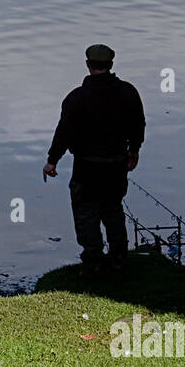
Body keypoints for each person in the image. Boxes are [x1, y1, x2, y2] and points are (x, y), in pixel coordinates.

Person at [43, 44, 145, 276]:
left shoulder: (76, 98)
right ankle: (119, 259)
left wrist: (52, 161)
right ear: (110, 65)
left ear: (88, 65)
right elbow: (138, 124)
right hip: (116, 164)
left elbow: (64, 132)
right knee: (113, 209)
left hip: (86, 166)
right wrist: (134, 150)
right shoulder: (128, 92)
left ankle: (93, 262)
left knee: (86, 212)